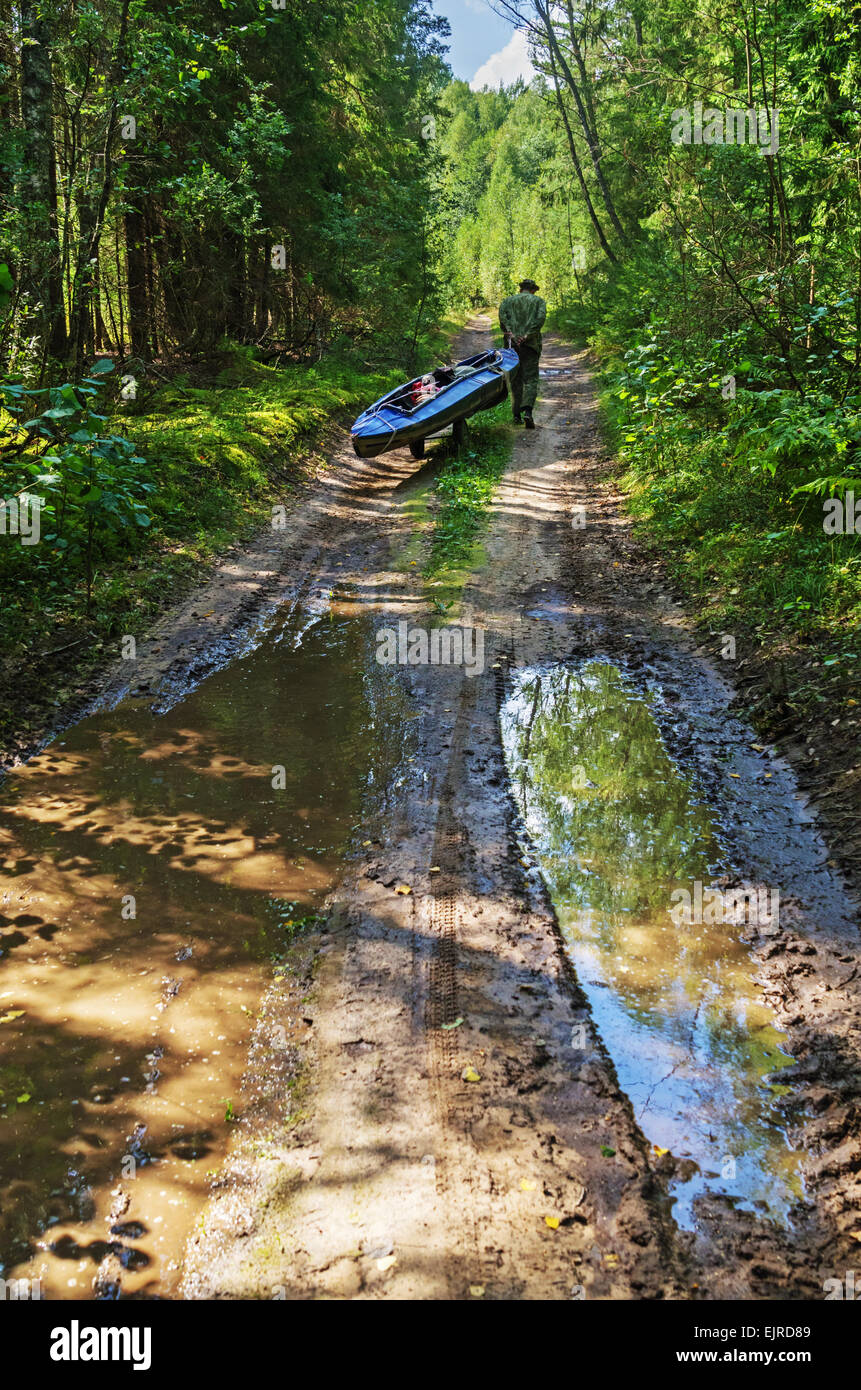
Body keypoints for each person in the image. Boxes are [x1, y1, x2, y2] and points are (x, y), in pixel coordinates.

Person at [499, 278, 547, 428]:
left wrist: (511, 334)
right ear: (532, 289)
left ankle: (516, 415)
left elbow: (502, 317)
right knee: (531, 379)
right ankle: (528, 412)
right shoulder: (539, 302)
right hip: (531, 345)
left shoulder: (508, 301)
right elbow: (540, 320)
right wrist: (527, 335)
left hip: (511, 346)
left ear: (521, 289)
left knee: (515, 379)